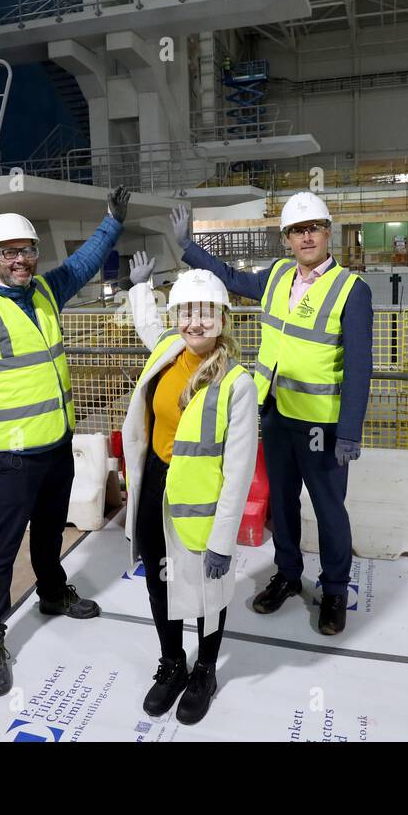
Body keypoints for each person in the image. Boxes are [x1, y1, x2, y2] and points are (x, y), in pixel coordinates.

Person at [0, 186, 132, 696]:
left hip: (55, 447)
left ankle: (51, 592)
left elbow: (84, 264)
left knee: (48, 533)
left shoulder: (44, 291)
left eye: (28, 250)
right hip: (12, 457)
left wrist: (111, 222)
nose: (22, 260)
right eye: (11, 252)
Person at [172, 191, 373, 635]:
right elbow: (228, 277)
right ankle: (286, 573)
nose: (306, 237)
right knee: (281, 503)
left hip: (320, 423)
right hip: (277, 413)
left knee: (328, 509)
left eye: (313, 228)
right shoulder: (279, 275)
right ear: (286, 239)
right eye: (297, 231)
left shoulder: (351, 290)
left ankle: (335, 589)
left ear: (327, 232)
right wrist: (188, 248)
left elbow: (360, 366)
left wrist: (349, 431)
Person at [119, 255, 257, 723]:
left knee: (206, 593)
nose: (194, 322)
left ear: (222, 320)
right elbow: (147, 324)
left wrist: (222, 539)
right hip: (156, 485)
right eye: (185, 312)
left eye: (205, 312)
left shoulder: (237, 384)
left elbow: (239, 471)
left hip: (201, 503)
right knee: (160, 580)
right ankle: (173, 662)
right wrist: (140, 288)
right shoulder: (166, 352)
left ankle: (205, 670)